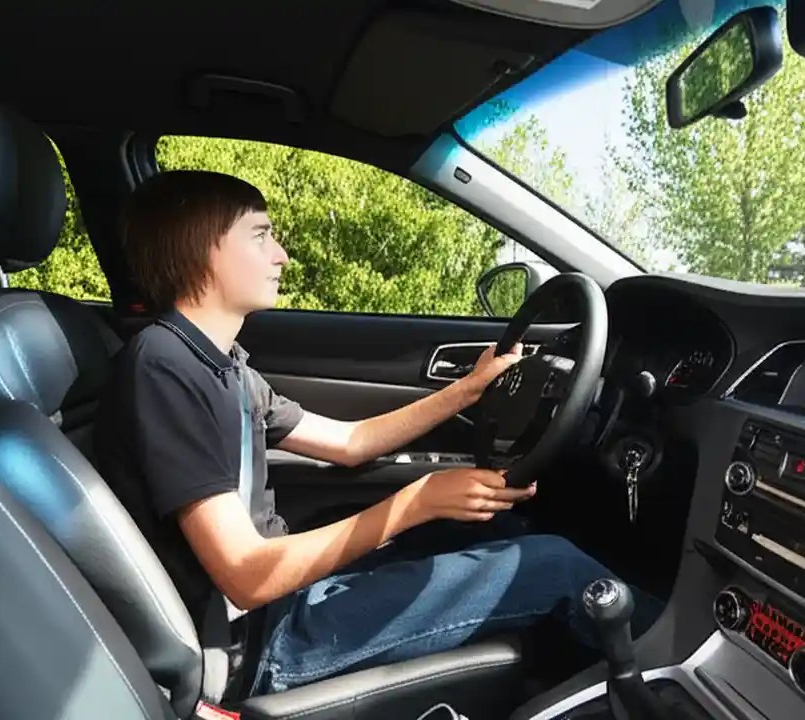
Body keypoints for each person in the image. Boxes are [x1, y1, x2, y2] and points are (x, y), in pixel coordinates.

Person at [93, 170, 660, 697]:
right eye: (260, 235)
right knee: (556, 566)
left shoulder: (224, 367)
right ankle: (676, 674)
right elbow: (246, 576)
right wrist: (415, 501)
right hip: (263, 638)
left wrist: (466, 391)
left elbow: (351, 443)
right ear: (202, 249)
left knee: (504, 530)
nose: (281, 254)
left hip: (284, 601)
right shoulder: (164, 367)